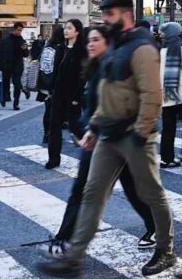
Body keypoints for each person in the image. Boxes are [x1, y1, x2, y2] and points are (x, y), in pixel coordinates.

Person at [38, 0, 175, 278]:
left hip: (135, 135)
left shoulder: (142, 47)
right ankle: (74, 256)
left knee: (151, 194)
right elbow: (106, 92)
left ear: (125, 15)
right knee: (91, 194)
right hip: (108, 134)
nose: (105, 20)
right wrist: (94, 127)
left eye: (109, 14)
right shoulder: (117, 47)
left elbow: (152, 95)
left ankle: (166, 250)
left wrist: (140, 132)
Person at [48, 26, 156, 256]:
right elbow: (92, 106)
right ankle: (64, 238)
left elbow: (125, 105)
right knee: (84, 189)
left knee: (132, 189)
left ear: (109, 42)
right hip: (100, 139)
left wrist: (95, 129)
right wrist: (87, 128)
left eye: (96, 40)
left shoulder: (116, 68)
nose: (91, 44)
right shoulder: (95, 67)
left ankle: (156, 226)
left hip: (118, 139)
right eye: (89, 40)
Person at [45, 19, 88, 169]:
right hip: (58, 94)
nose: (66, 31)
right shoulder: (60, 48)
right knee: (54, 126)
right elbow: (55, 71)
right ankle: (53, 159)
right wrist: (51, 90)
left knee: (76, 127)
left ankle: (95, 152)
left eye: (69, 28)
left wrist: (77, 97)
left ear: (77, 31)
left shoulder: (82, 50)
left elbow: (82, 76)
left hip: (72, 95)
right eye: (65, 28)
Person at [159, 22, 182, 168]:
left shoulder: (162, 51)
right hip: (180, 94)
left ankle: (166, 159)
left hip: (167, 94)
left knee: (168, 128)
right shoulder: (180, 49)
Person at [36, 25, 64, 145]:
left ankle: (46, 134)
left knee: (48, 110)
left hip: (44, 83)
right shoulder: (60, 48)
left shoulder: (46, 47)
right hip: (54, 85)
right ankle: (53, 134)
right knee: (55, 112)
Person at [0, 23, 27, 110]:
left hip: (18, 66)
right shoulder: (5, 39)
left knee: (17, 84)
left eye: (21, 30)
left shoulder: (22, 40)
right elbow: (0, 53)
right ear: (14, 29)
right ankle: (5, 98)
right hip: (7, 65)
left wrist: (25, 49)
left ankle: (16, 103)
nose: (19, 32)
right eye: (18, 30)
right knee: (6, 84)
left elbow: (26, 54)